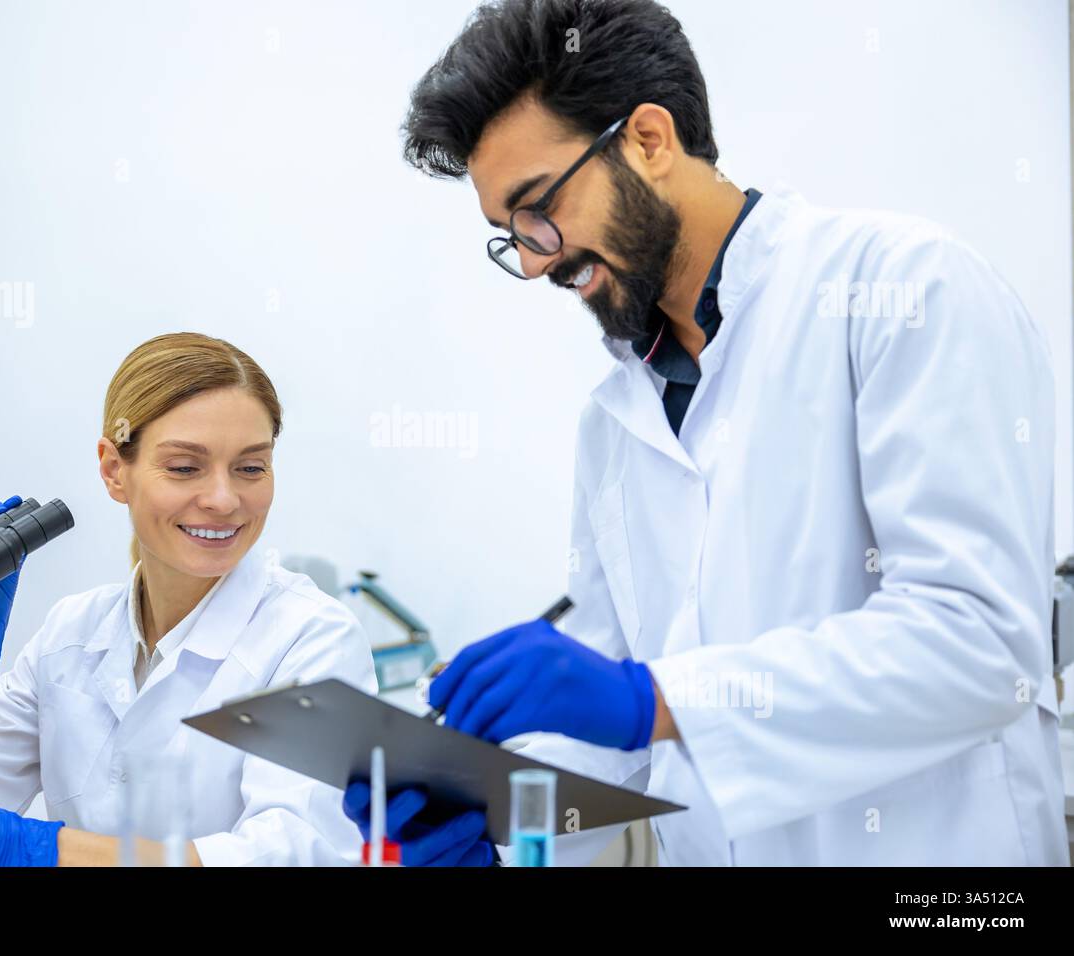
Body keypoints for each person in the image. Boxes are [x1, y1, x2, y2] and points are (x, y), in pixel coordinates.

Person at [344, 0, 1068, 866]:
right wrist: (490, 812)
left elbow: (981, 645)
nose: (535, 260)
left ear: (649, 139)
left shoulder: (903, 289)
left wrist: (647, 696)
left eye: (538, 209)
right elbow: (608, 727)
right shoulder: (614, 426)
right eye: (510, 237)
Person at [0, 332, 377, 865]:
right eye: (186, 467)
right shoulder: (71, 631)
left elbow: (294, 854)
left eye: (251, 467)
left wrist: (32, 849)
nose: (223, 498)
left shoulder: (312, 639)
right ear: (114, 469)